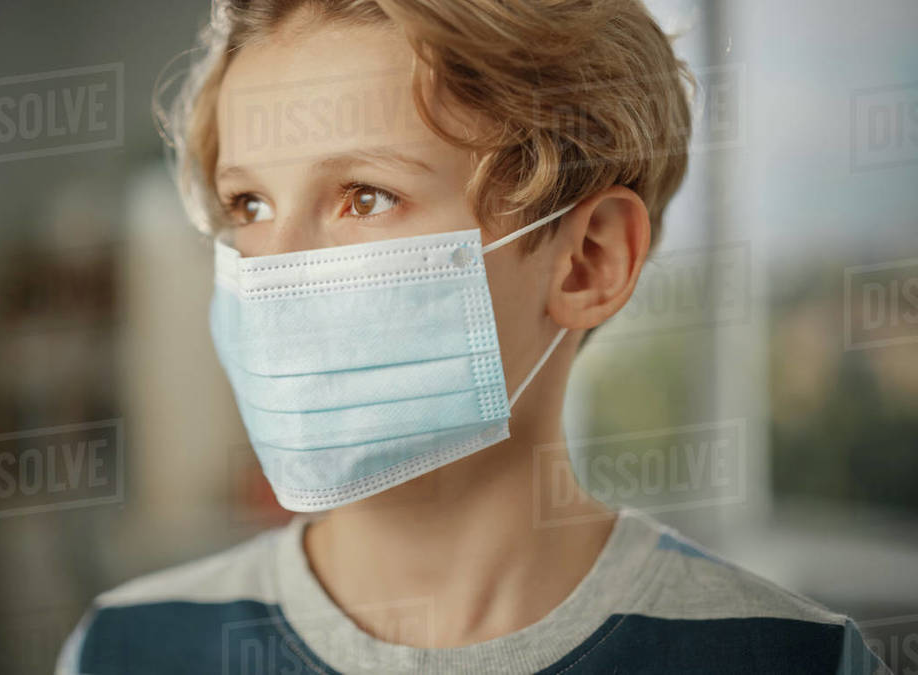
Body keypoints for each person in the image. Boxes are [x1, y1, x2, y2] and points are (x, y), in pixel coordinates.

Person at [57, 0, 889, 672]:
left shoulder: (792, 659)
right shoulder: (127, 648)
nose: (270, 272)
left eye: (365, 196)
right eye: (250, 207)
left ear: (588, 261)